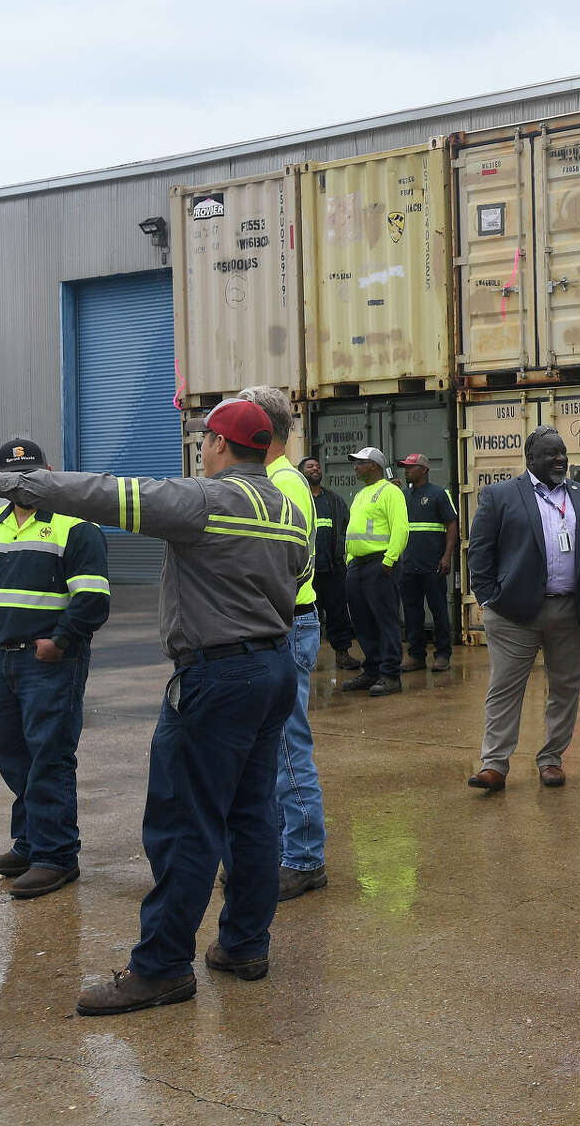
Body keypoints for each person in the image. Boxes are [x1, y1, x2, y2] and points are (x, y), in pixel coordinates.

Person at [0, 397, 303, 1016]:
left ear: (221, 447)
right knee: (252, 814)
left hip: (217, 677)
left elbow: (106, 494)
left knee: (183, 820)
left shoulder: (206, 500)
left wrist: (7, 482)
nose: (202, 451)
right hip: (272, 668)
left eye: (206, 442)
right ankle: (244, 944)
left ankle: (163, 966)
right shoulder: (287, 507)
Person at [0, 436, 111, 900]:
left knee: (49, 755)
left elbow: (92, 598)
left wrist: (60, 642)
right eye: (13, 475)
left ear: (47, 474)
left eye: (30, 475)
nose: (21, 483)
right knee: (10, 753)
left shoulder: (75, 527)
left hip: (49, 663)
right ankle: (30, 845)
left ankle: (57, 856)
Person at [465, 427, 580, 792]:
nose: (560, 458)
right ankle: (494, 765)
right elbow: (479, 552)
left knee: (564, 689)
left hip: (570, 612)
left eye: (562, 452)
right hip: (513, 614)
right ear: (530, 460)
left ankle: (551, 760)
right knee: (504, 688)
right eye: (550, 454)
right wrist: (488, 599)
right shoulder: (500, 496)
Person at [241, 386, 328, 902]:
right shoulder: (272, 478)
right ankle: (278, 852)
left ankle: (304, 858)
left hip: (287, 623)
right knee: (271, 746)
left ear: (262, 430)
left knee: (289, 747)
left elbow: (288, 565)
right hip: (280, 622)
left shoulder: (283, 482)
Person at [342, 447, 409, 696]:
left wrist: (389, 560)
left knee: (385, 620)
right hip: (357, 565)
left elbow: (401, 528)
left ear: (374, 466)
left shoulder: (390, 492)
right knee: (362, 621)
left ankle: (391, 675)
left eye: (360, 462)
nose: (355, 467)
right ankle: (372, 671)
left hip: (379, 563)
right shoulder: (361, 494)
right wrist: (350, 559)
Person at [397, 452, 458, 673]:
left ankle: (442, 654)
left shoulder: (439, 494)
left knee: (439, 609)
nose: (406, 471)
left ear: (424, 470)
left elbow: (452, 524)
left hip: (433, 565)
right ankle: (416, 656)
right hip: (408, 565)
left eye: (411, 467)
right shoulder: (402, 496)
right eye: (405, 467)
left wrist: (447, 556)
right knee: (412, 612)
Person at [301, 456, 358, 671]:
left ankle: (342, 654)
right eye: (310, 466)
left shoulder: (334, 500)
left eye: (317, 466)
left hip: (333, 569)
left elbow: (348, 528)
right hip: (308, 572)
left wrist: (340, 548)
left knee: (338, 614)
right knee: (308, 616)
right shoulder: (300, 500)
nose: (315, 468)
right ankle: (307, 659)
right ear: (301, 472)